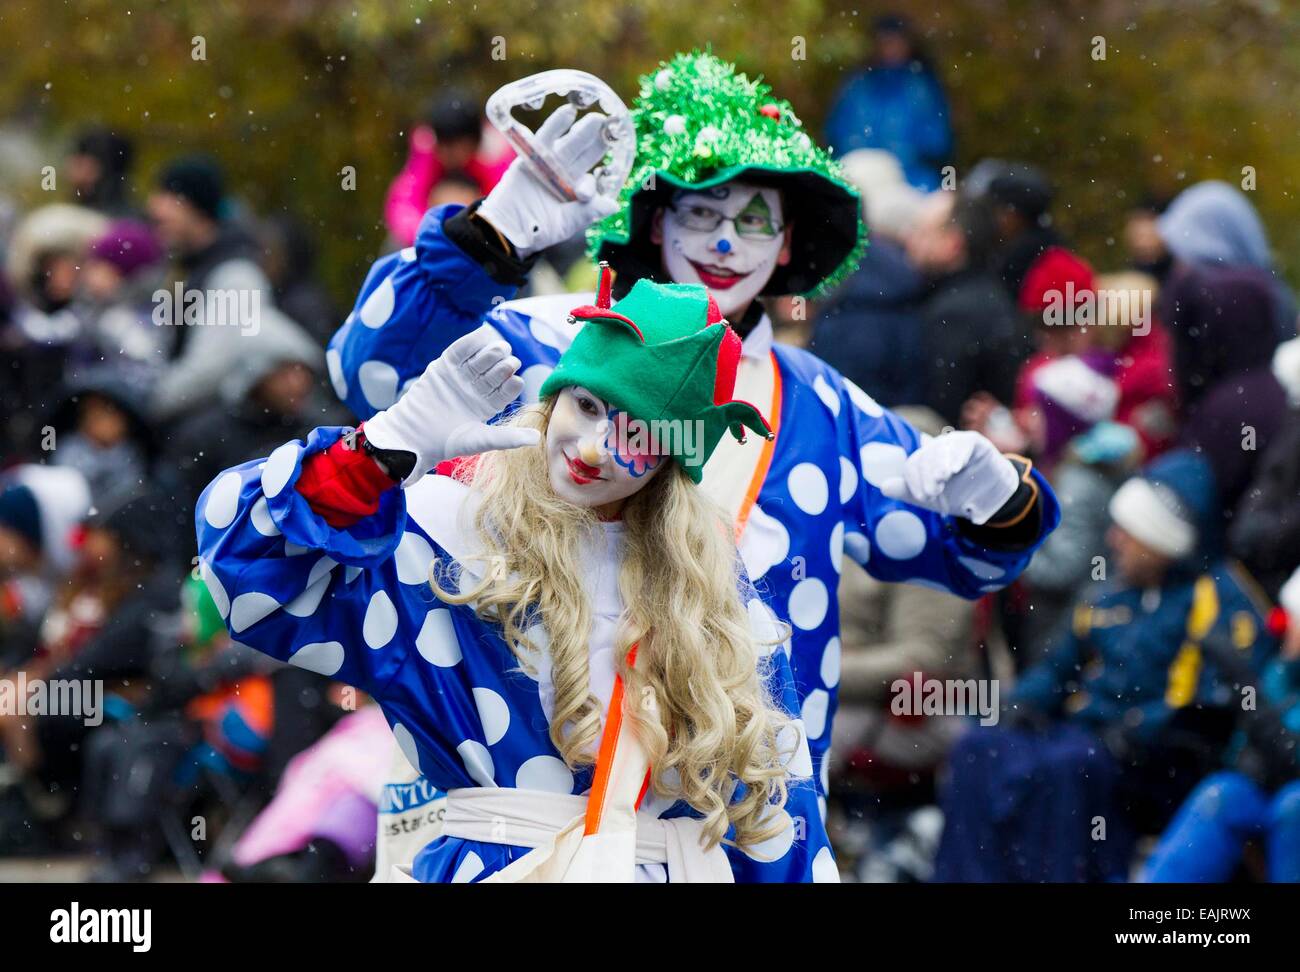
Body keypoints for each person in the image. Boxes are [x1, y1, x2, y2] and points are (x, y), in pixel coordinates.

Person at [329, 52, 1060, 824]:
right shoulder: (550, 343)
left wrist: (998, 495)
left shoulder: (822, 409)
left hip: (739, 825)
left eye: (752, 223)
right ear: (655, 221)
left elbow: (966, 553)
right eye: (701, 214)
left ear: (785, 248)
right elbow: (370, 371)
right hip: (534, 808)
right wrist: (495, 233)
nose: (723, 245)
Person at [198, 278, 838, 882]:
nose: (592, 448)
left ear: (672, 463)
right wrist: (381, 451)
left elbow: (780, 823)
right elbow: (247, 572)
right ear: (554, 396)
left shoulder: (718, 598)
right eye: (587, 406)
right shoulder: (451, 536)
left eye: (637, 434)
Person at [934, 450, 1274, 882]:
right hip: (1085, 736)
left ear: (1162, 541)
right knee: (979, 747)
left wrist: (1132, 731)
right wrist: (1021, 705)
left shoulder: (1220, 600)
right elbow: (1057, 669)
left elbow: (1213, 705)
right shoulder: (1108, 593)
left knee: (1066, 767)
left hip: (1152, 759)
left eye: (1129, 532)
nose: (1114, 540)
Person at [1141, 563, 1300, 883]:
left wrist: (1244, 687)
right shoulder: (1282, 670)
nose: (1283, 628)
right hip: (1266, 790)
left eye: (1293, 619)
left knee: (1293, 806)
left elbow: (1293, 758)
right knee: (1223, 792)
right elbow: (1247, 754)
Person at [146, 155, 322, 420]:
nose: (155, 208)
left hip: (214, 437)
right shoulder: (190, 267)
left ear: (196, 207)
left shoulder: (236, 275)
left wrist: (144, 405)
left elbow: (209, 370)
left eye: (169, 196)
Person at [905, 189, 1026, 424]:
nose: (911, 240)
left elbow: (939, 409)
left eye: (922, 232)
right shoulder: (988, 293)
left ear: (952, 243)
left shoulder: (955, 312)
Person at [824, 15, 953, 191]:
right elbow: (837, 133)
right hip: (860, 173)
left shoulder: (922, 88)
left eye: (895, 42)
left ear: (908, 44)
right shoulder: (858, 85)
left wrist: (901, 158)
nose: (890, 48)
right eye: (885, 42)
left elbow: (938, 143)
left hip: (909, 181)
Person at [383, 92, 514, 248]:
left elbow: (509, 212)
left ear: (474, 142)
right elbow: (404, 203)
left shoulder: (496, 156)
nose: (447, 155)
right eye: (443, 146)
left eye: (454, 147)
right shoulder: (428, 150)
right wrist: (432, 233)